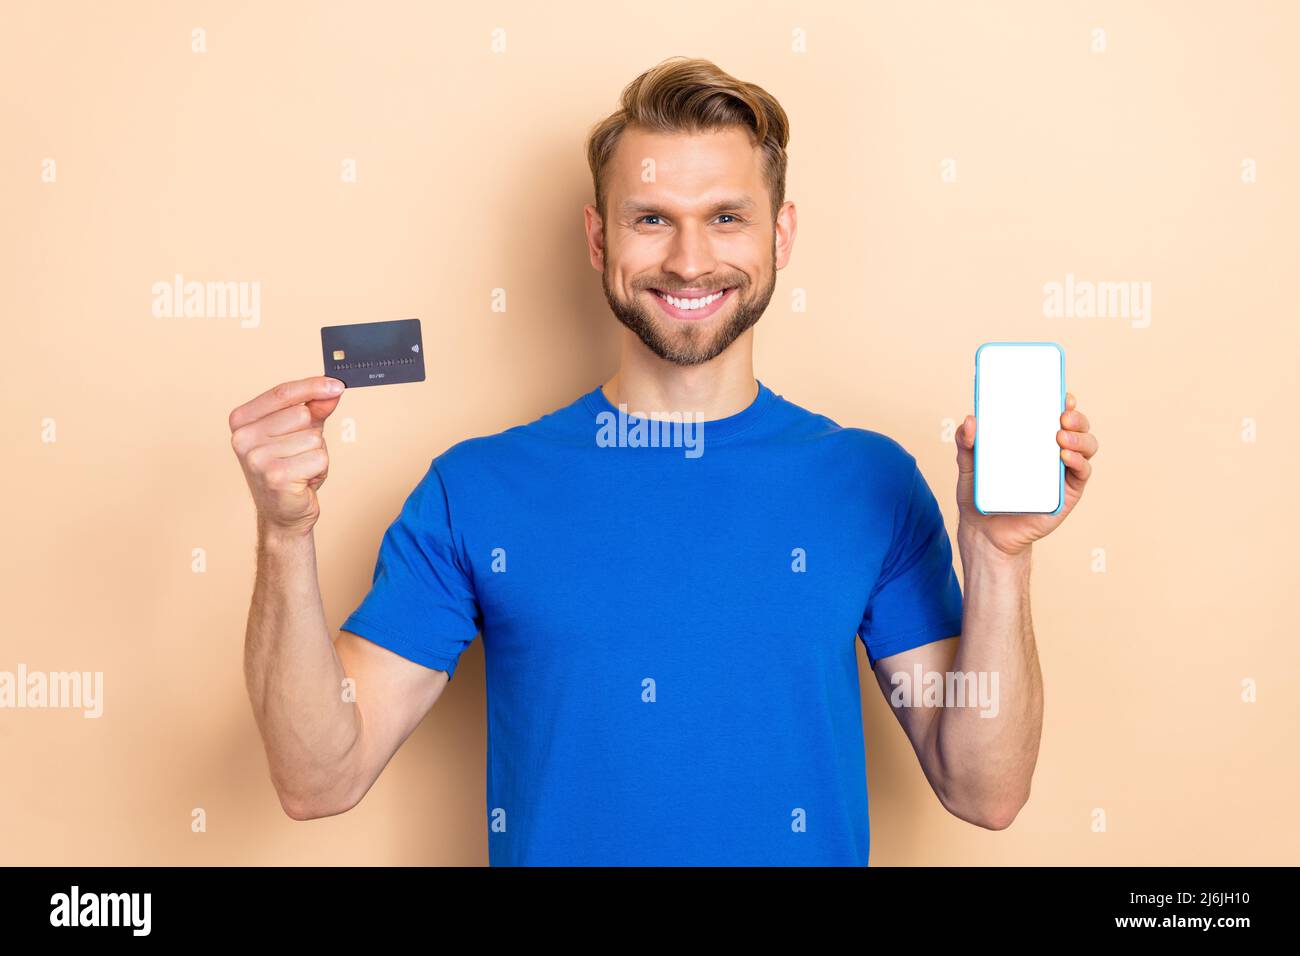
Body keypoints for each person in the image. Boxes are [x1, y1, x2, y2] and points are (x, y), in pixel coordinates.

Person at [227, 57, 1098, 866]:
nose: (689, 260)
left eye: (726, 216)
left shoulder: (870, 480)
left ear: (781, 234)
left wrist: (997, 558)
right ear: (600, 238)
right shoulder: (477, 488)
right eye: (652, 219)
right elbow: (319, 779)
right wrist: (282, 537)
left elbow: (984, 792)